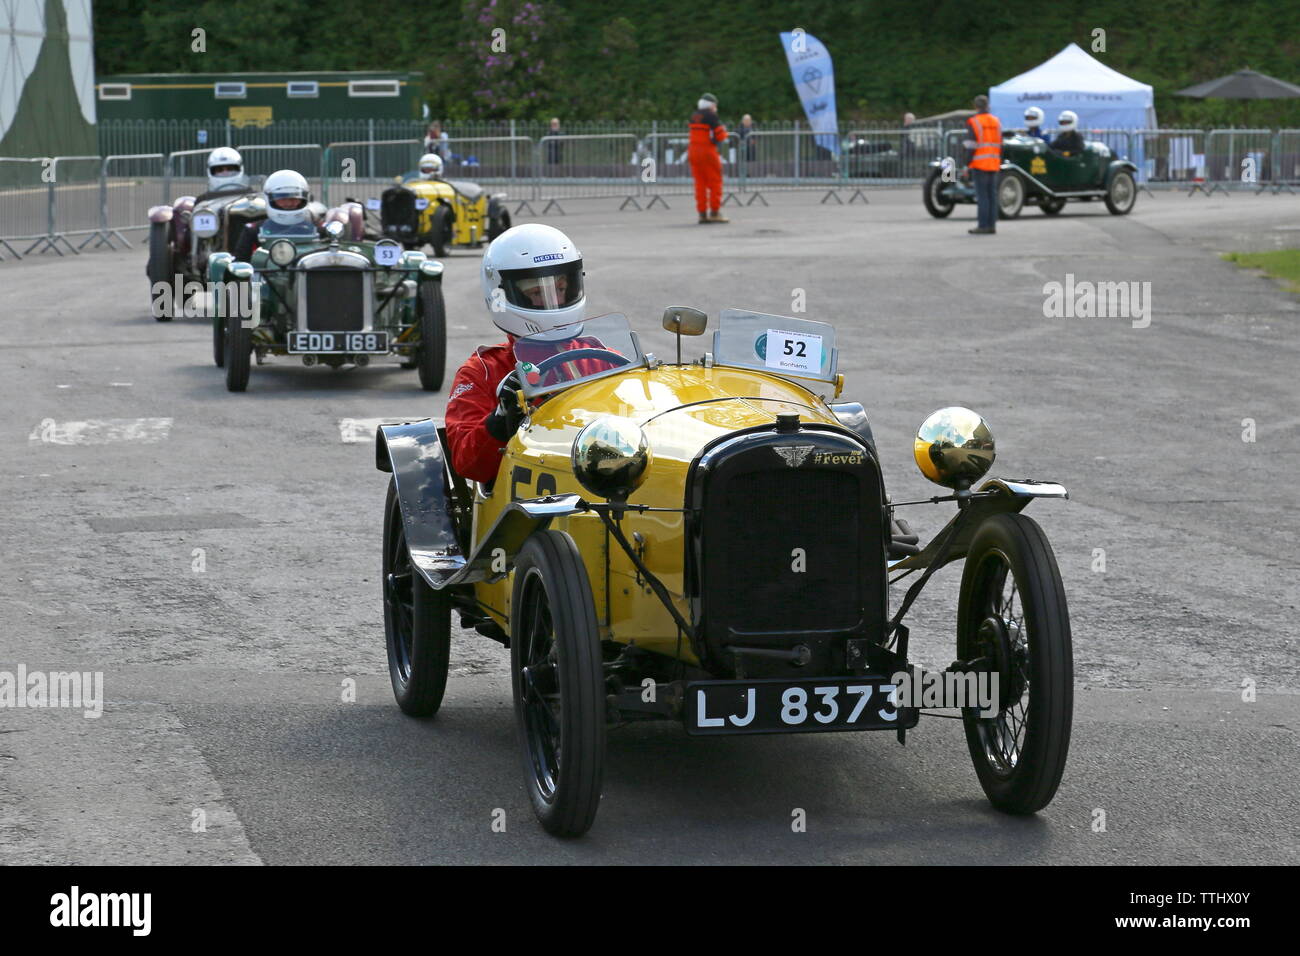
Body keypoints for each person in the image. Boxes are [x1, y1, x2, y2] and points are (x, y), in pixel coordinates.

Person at [445, 224, 611, 485]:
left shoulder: (601, 359)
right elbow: (468, 464)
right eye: (536, 292)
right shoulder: (483, 371)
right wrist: (500, 419)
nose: (552, 300)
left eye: (560, 288)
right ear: (499, 294)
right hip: (524, 498)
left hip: (604, 481)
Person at [231, 169, 318, 261]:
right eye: (282, 199)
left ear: (304, 199)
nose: (288, 203)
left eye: (294, 198)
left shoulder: (316, 229)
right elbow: (241, 265)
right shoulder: (253, 231)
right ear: (269, 199)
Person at [688, 92, 729, 224]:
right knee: (715, 181)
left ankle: (702, 214)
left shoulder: (694, 115)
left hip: (693, 150)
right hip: (707, 151)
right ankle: (715, 212)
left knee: (699, 183)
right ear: (712, 105)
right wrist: (724, 130)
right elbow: (720, 135)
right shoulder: (711, 116)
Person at [964, 94, 1002, 235]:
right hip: (994, 162)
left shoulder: (974, 122)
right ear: (988, 106)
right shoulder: (996, 121)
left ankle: (983, 225)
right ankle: (992, 225)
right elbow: (1000, 144)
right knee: (992, 195)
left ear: (975, 106)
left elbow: (970, 145)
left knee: (983, 197)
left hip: (979, 163)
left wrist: (967, 163)